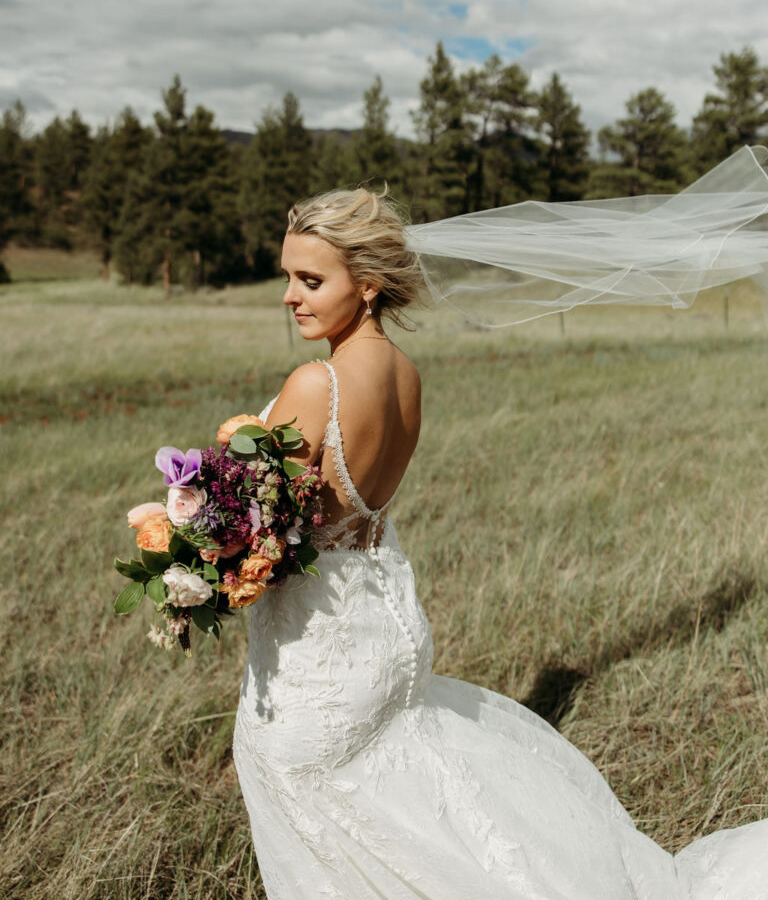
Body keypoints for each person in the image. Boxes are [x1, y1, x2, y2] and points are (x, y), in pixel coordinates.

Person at [233, 187, 768, 900]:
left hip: (317, 650)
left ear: (367, 285)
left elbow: (261, 537)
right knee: (394, 808)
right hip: (380, 629)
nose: (290, 297)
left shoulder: (314, 383)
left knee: (301, 790)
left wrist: (190, 537)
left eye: (310, 280)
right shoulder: (403, 376)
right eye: (287, 277)